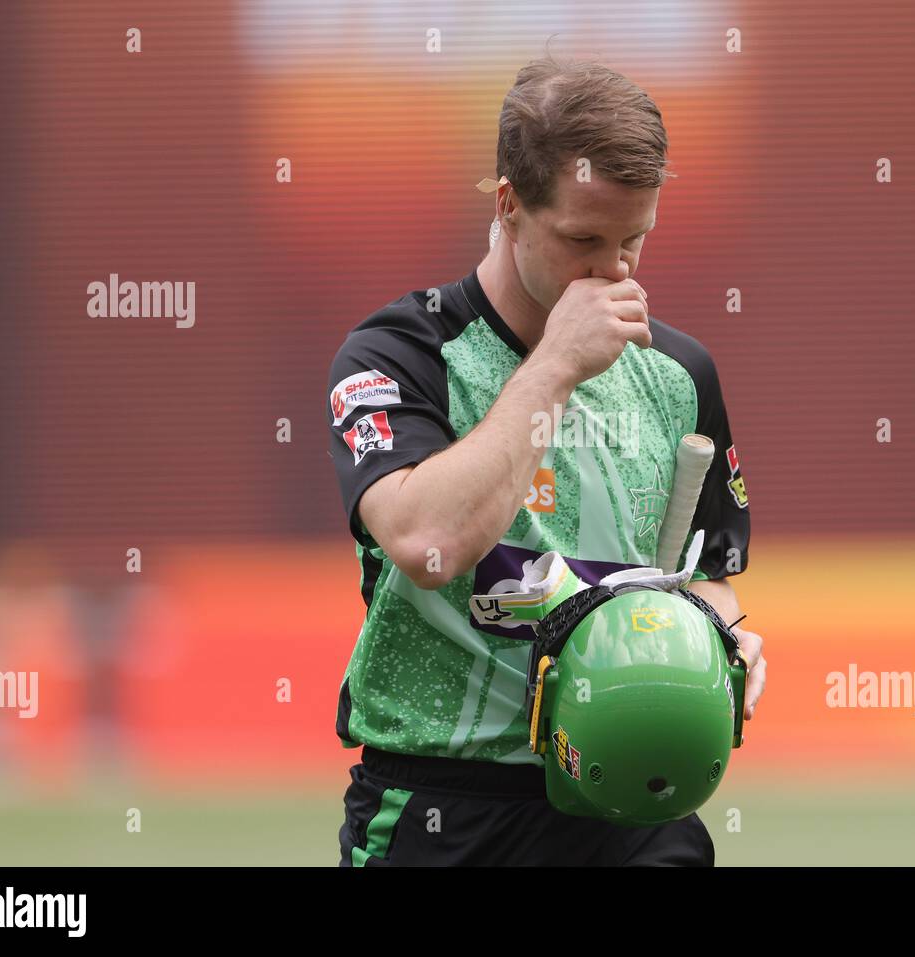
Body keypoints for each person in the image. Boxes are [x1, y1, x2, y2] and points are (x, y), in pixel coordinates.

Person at [326, 54, 766, 866]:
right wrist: (555, 366)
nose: (616, 270)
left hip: (635, 807)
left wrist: (724, 638)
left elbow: (708, 572)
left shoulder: (680, 374)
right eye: (584, 239)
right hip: (443, 811)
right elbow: (429, 544)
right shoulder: (396, 355)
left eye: (636, 238)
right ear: (507, 206)